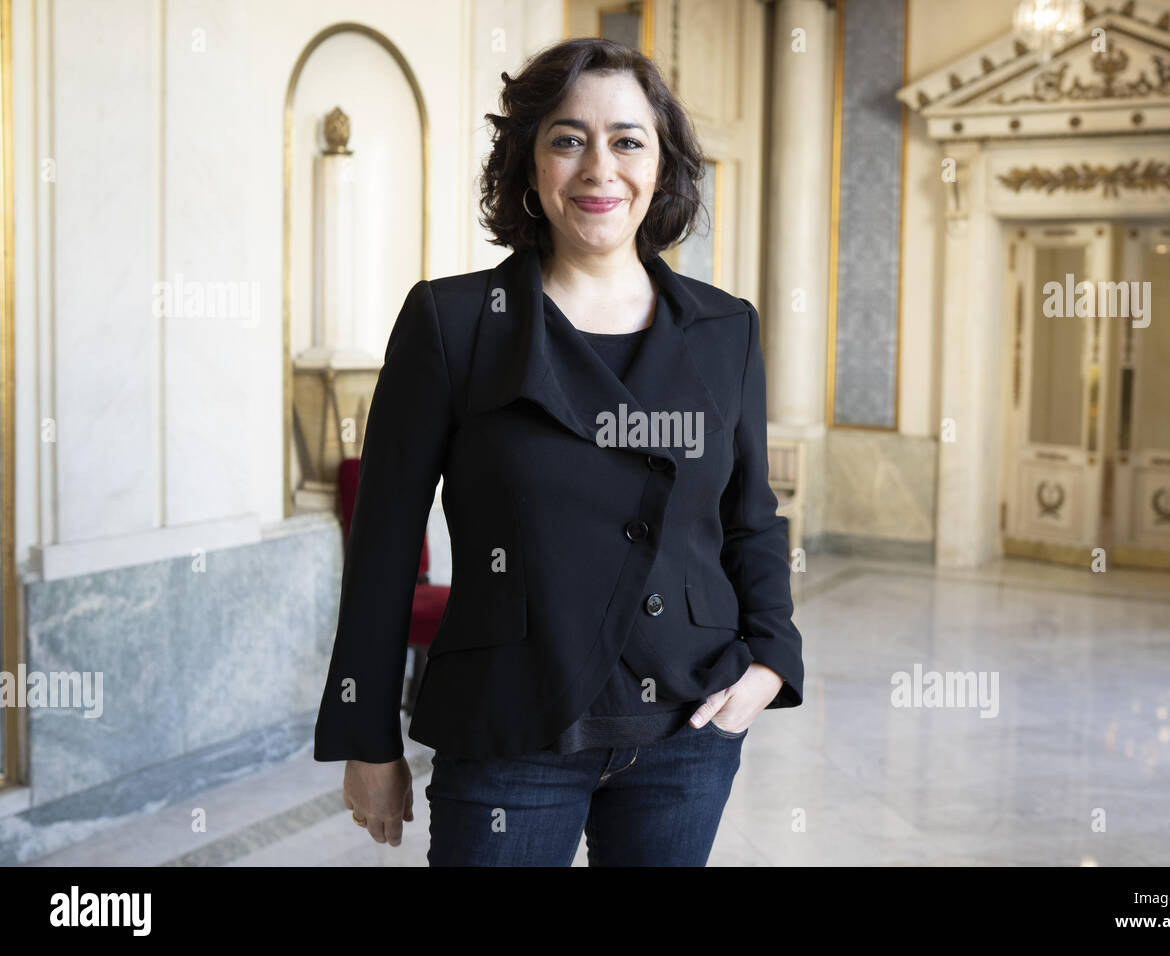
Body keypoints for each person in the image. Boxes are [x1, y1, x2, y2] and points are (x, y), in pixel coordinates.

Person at [313, 36, 804, 866]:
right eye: (568, 139)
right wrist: (368, 736)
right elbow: (386, 541)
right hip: (510, 735)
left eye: (627, 140)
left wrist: (770, 665)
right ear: (531, 165)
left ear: (662, 167)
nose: (598, 168)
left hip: (689, 726)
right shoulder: (452, 322)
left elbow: (750, 518)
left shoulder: (726, 330)